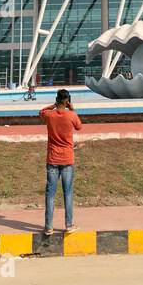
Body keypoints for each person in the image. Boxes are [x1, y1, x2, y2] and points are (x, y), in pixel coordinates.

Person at [39, 89, 82, 236]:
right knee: (67, 193)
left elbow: (41, 112)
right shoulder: (71, 115)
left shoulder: (49, 115)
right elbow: (79, 127)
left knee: (50, 194)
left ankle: (48, 226)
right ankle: (69, 224)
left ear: (57, 99)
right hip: (67, 159)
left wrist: (53, 105)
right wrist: (72, 109)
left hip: (52, 158)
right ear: (68, 100)